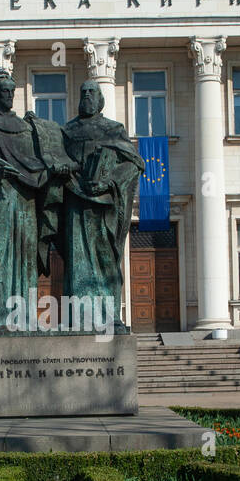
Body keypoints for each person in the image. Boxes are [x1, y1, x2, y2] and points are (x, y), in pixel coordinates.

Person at [0, 70, 69, 332]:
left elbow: (40, 161)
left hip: (27, 202)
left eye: (11, 91)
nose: (8, 95)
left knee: (26, 259)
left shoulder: (27, 129)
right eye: (3, 91)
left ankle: (27, 317)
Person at [61, 80, 145, 329]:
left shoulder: (113, 129)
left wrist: (110, 181)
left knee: (106, 257)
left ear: (100, 99)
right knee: (77, 259)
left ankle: (108, 316)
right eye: (83, 92)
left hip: (105, 206)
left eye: (92, 92)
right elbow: (57, 159)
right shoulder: (68, 131)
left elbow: (134, 163)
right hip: (76, 203)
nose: (87, 96)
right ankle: (79, 318)